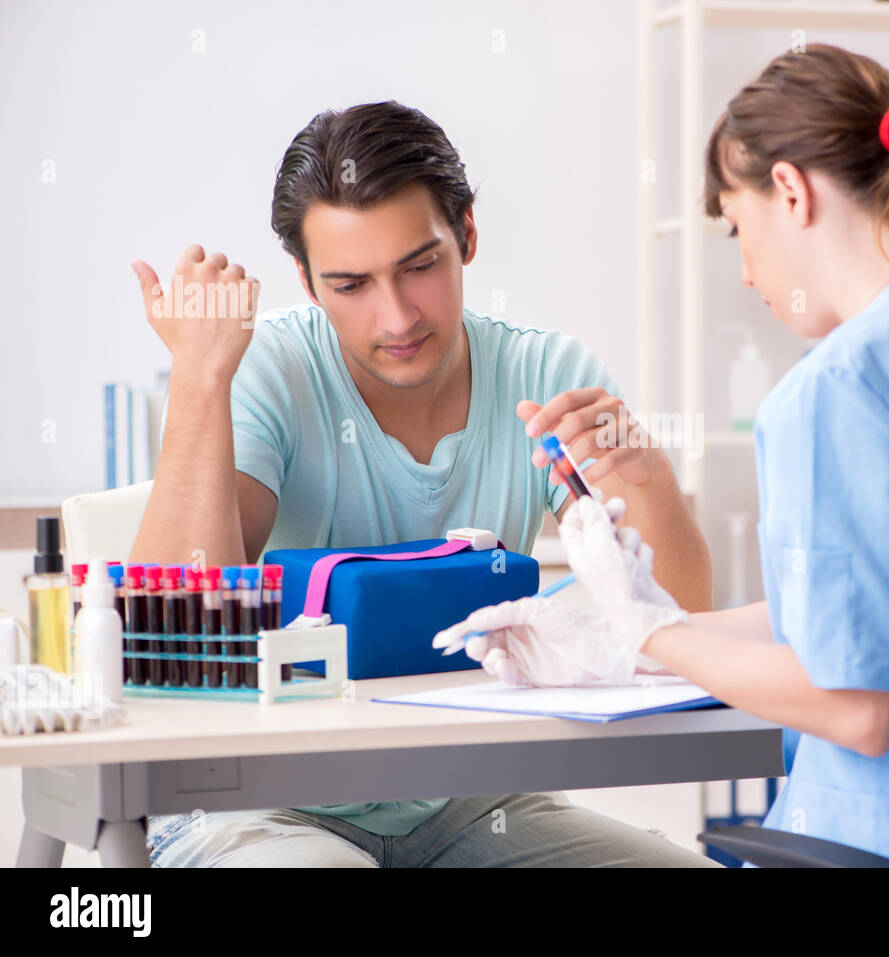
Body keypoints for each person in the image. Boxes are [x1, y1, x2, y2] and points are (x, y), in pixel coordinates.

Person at [434, 45, 889, 868]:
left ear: (790, 191)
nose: (748, 268)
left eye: (736, 224)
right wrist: (622, 624)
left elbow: (860, 705)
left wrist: (651, 632)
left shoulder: (842, 386)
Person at [128, 100, 717, 867]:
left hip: (469, 799)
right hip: (256, 805)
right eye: (351, 284)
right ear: (305, 281)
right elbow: (181, 629)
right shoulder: (266, 370)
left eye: (419, 266)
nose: (397, 315)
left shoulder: (545, 375)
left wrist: (651, 476)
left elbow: (681, 627)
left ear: (466, 235)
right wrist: (201, 380)